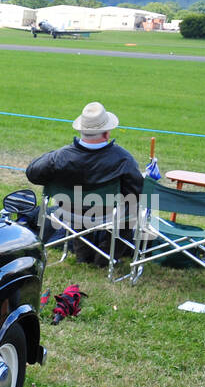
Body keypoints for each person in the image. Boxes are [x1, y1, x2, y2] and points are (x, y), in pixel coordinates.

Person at [25, 101, 143, 265]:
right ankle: (105, 258)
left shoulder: (60, 156)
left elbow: (33, 173)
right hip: (107, 213)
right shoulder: (122, 158)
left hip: (68, 211)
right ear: (107, 133)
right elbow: (137, 190)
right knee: (132, 210)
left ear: (81, 130)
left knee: (78, 204)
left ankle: (84, 256)